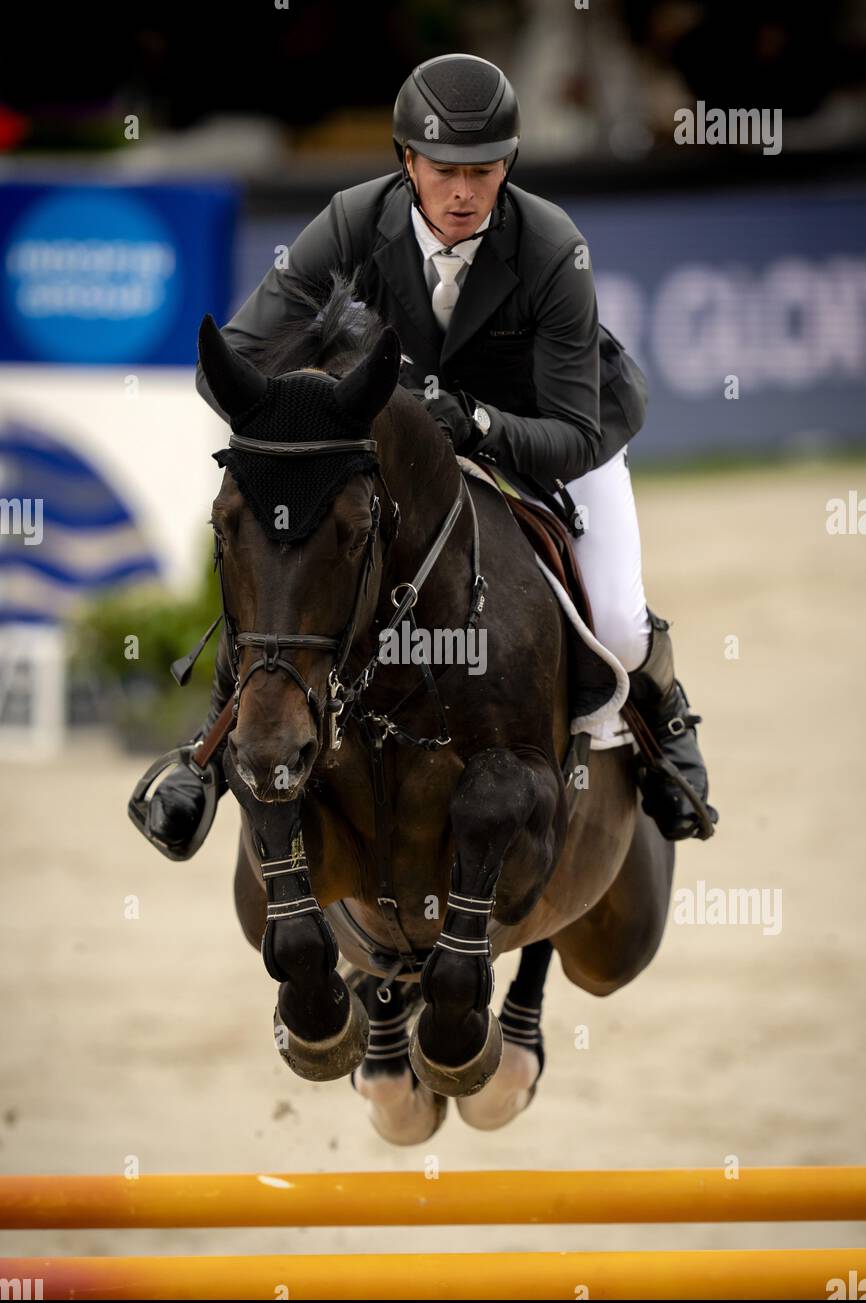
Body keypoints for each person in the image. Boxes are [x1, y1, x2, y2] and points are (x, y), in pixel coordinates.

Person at [145, 52, 717, 855]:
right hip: (405, 451)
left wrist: (478, 425)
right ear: (405, 161)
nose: (461, 193)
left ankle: (666, 724)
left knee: (617, 620)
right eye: (442, 169)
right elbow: (232, 361)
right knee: (298, 572)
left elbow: (574, 435)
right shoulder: (352, 220)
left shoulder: (551, 246)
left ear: (508, 165)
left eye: (483, 171)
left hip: (547, 435)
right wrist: (317, 419)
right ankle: (204, 757)